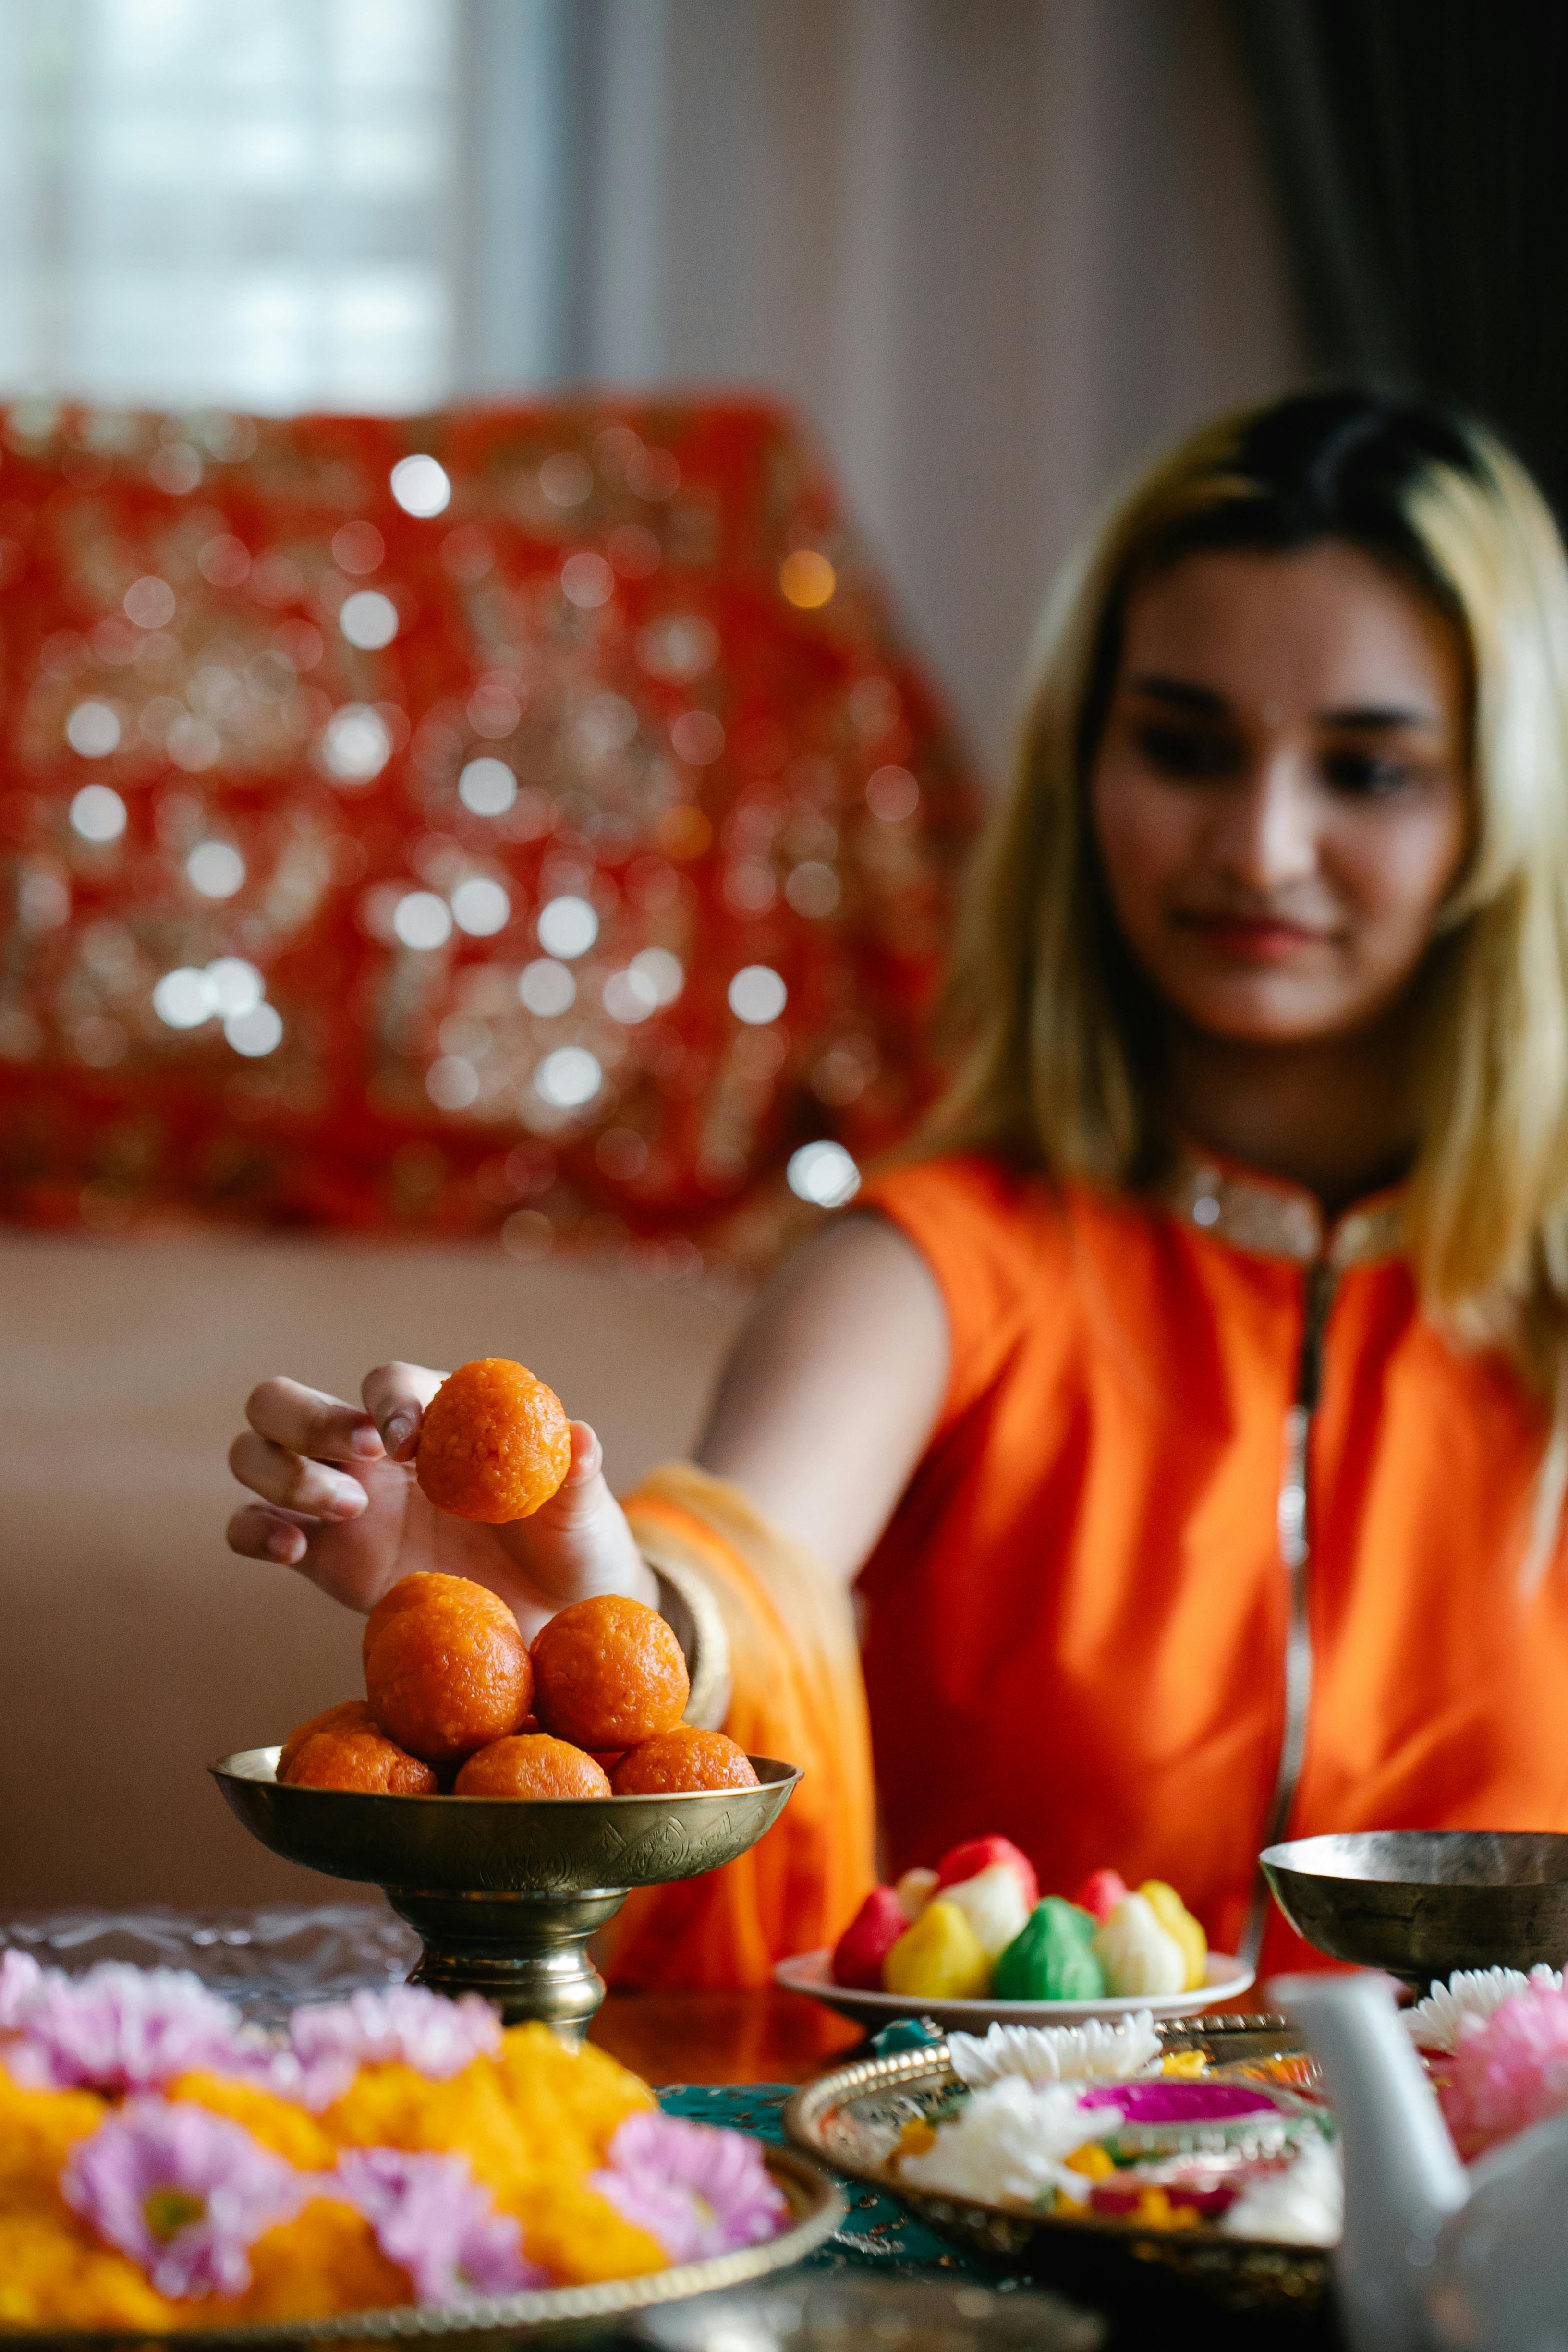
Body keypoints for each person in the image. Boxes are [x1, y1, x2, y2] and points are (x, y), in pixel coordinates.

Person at [225, 389, 1568, 1981]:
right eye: (1185, 746)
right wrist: (605, 1619)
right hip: (1002, 2137)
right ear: (1082, 766)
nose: (1261, 845)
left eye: (1368, 770)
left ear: (1505, 804)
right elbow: (746, 1562)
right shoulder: (932, 1266)